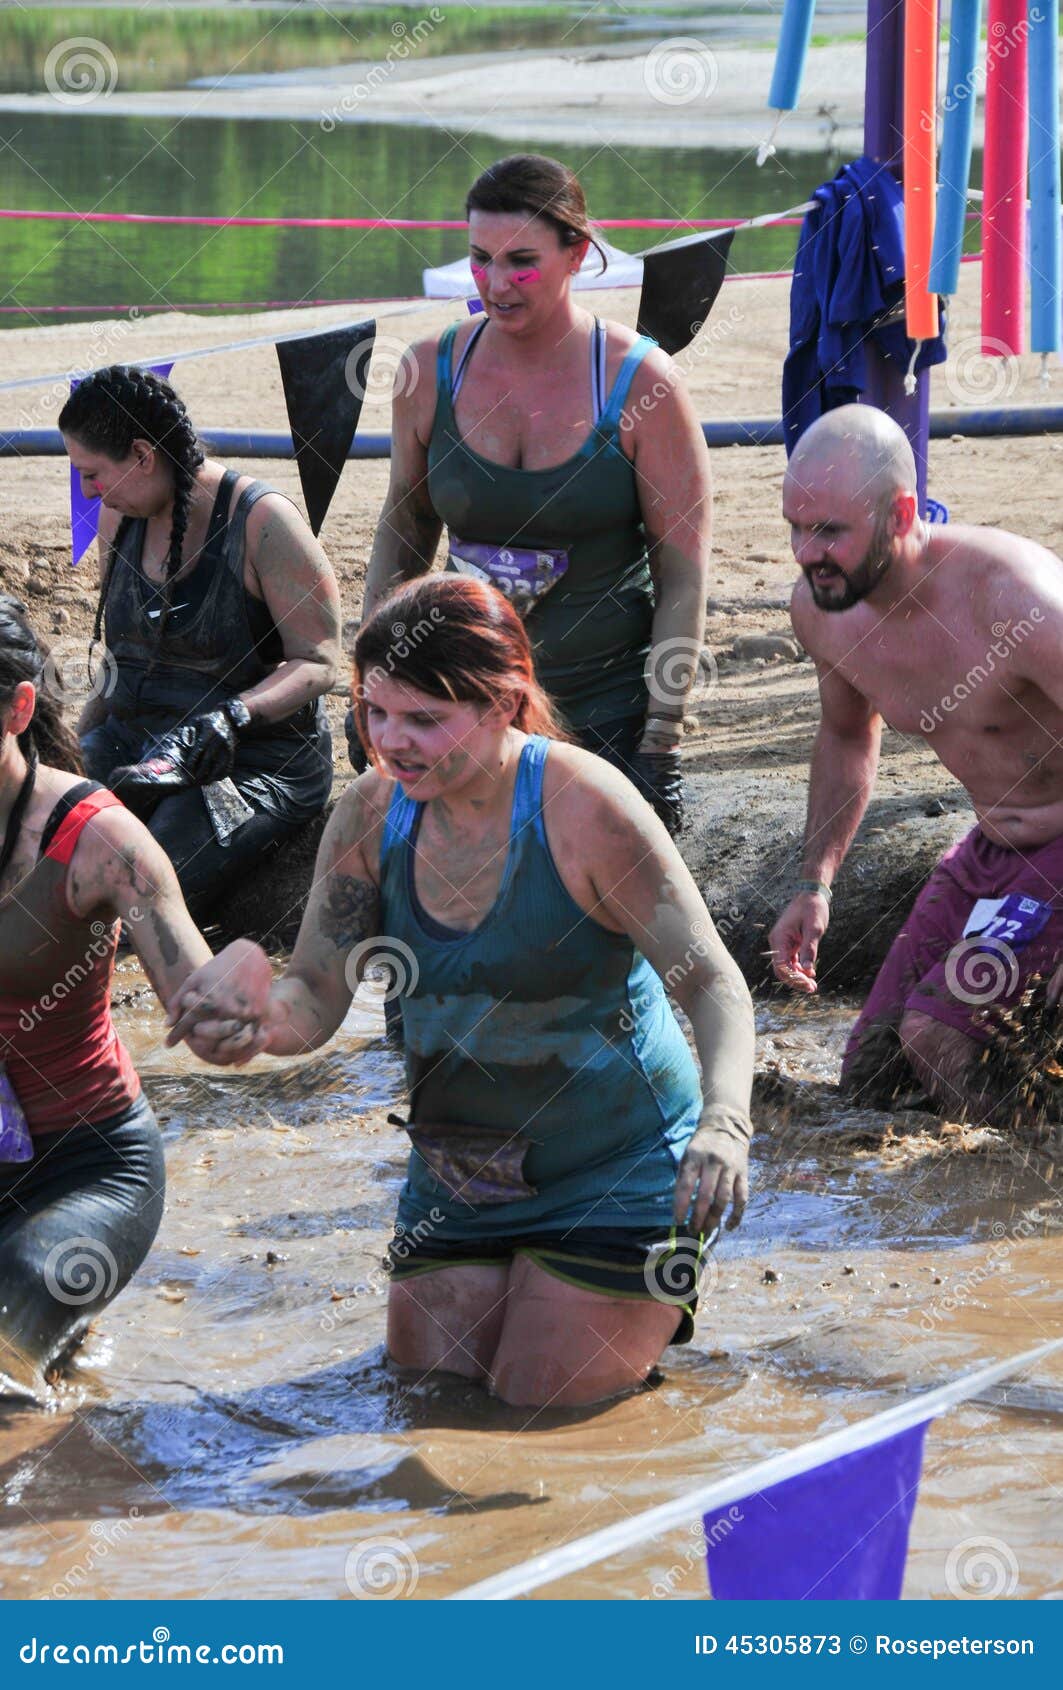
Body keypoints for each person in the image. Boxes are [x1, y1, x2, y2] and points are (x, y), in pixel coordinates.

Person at [170, 576, 754, 1409]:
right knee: (425, 1405)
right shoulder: (371, 817)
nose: (390, 743)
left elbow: (712, 982)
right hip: (457, 1183)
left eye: (422, 720)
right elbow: (311, 998)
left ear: (503, 702)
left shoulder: (585, 808)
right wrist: (249, 1018)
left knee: (532, 1413)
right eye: (375, 713)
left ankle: (641, 1326)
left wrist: (724, 1125)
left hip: (620, 1173)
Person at [354, 153, 713, 836]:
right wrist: (374, 679)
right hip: (457, 705)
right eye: (478, 258)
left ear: (576, 253)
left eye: (519, 259)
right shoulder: (428, 370)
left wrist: (661, 739)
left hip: (601, 706)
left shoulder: (641, 385)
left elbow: (683, 575)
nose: (494, 282)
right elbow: (402, 532)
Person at [767, 404, 1063, 1129]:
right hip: (988, 847)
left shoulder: (1012, 598)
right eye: (795, 528)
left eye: (829, 530)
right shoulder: (822, 610)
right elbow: (843, 737)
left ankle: (1025, 1207)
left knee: (940, 1043)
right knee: (869, 1070)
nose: (806, 554)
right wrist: (814, 885)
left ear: (900, 513)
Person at [0, 596, 255, 1402]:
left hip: (83, 1171)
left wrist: (236, 1003)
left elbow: (197, 998)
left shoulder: (102, 843)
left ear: (18, 706)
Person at [58, 365, 341, 923]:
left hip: (251, 757)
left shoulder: (263, 522)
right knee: (50, 840)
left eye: (92, 474)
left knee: (143, 881)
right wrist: (71, 747)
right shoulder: (120, 519)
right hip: (137, 741)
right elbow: (123, 658)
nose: (88, 493)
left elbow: (321, 660)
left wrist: (234, 716)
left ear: (142, 455)